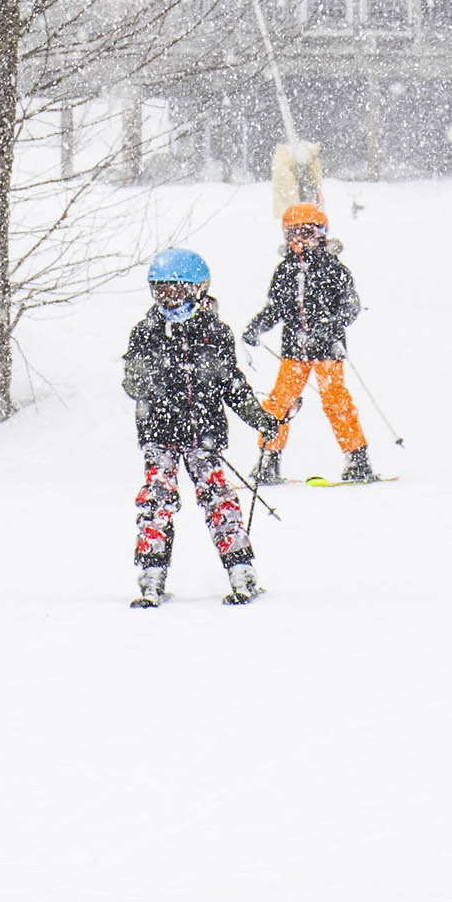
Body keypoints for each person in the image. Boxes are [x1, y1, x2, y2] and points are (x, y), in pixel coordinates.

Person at [123, 248, 281, 608]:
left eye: (176, 291)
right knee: (156, 500)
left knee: (217, 498)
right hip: (159, 433)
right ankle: (151, 575)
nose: (168, 299)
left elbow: (232, 384)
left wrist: (259, 417)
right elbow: (132, 383)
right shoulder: (146, 333)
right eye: (160, 291)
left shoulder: (214, 333)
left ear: (197, 290)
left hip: (202, 434)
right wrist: (145, 379)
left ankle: (241, 569)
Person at [244, 203, 373, 485]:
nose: (299, 241)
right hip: (294, 350)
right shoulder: (285, 270)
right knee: (279, 401)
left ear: (321, 234)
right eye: (292, 235)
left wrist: (328, 328)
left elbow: (350, 307)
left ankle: (357, 457)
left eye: (306, 233)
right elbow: (275, 308)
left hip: (327, 350)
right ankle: (268, 459)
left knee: (335, 400)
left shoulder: (334, 269)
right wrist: (257, 326)